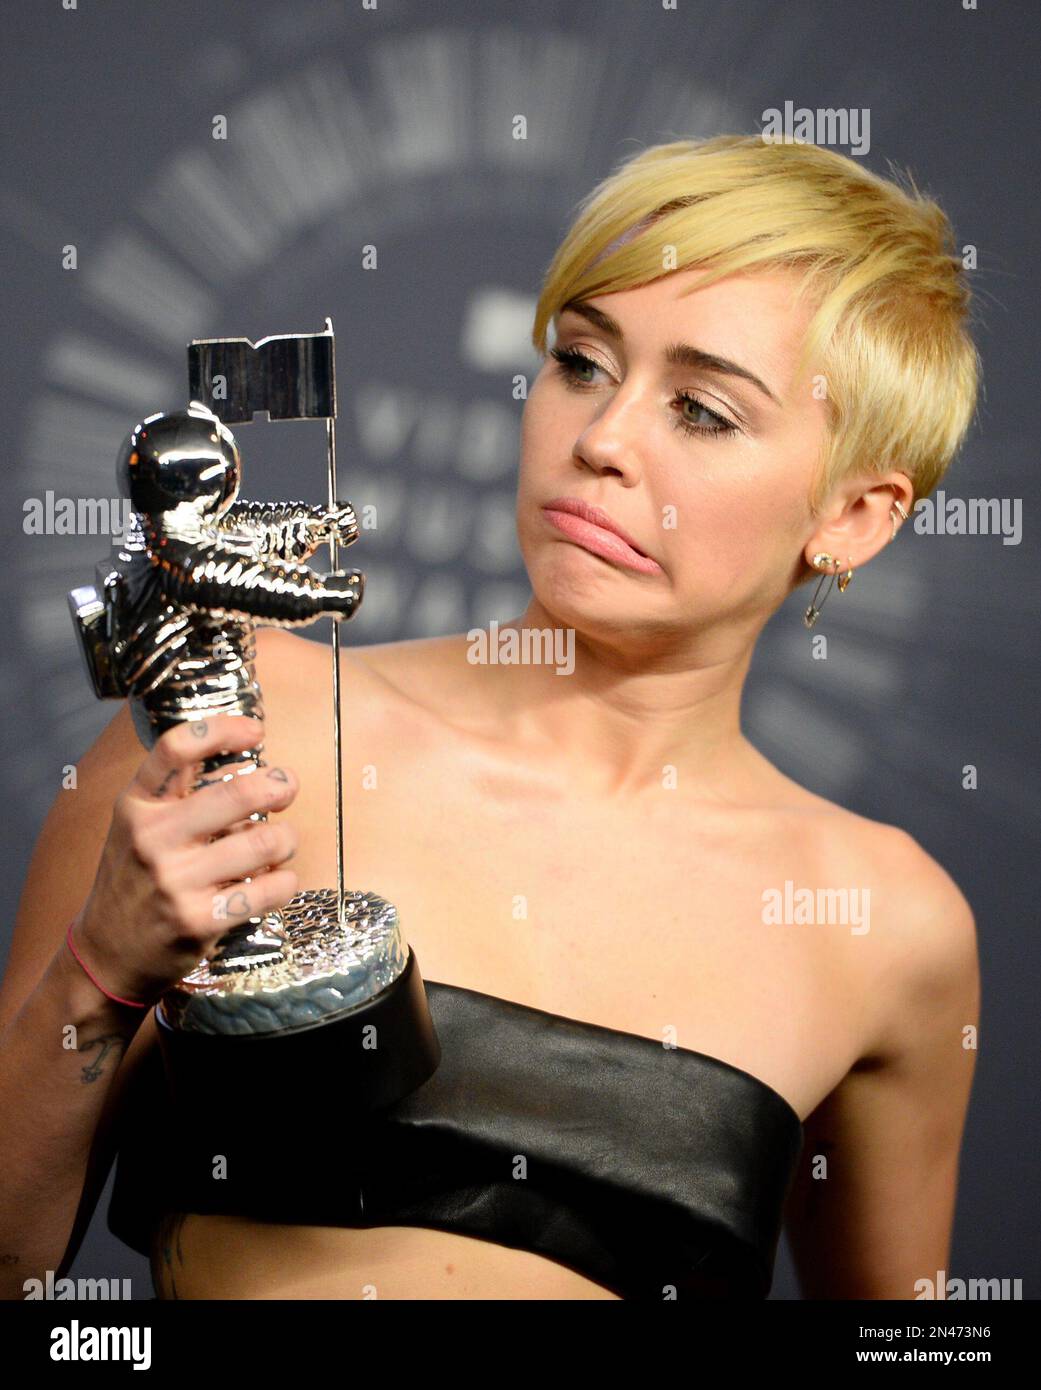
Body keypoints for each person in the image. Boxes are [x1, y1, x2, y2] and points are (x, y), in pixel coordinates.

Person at [0, 133, 981, 1301]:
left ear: (857, 519)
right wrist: (97, 973)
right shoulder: (246, 727)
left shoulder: (886, 923)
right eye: (581, 362)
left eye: (704, 412)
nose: (602, 440)